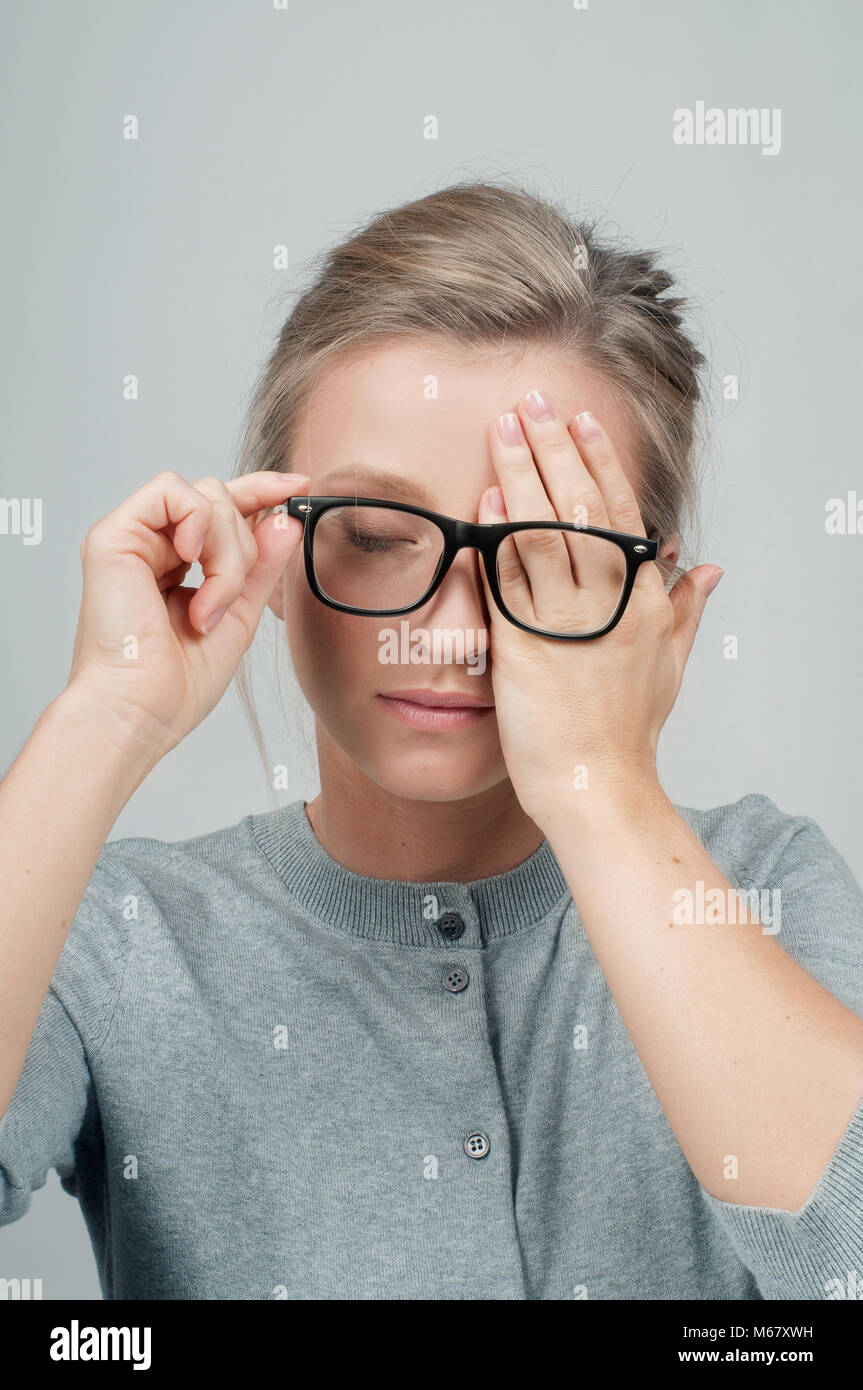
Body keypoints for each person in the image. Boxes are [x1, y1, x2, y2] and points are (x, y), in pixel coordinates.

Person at [2, 181, 862, 1301]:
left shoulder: (757, 886)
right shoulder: (117, 935)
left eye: (543, 554)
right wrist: (103, 715)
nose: (448, 634)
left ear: (663, 608)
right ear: (264, 548)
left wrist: (602, 786)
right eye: (369, 536)